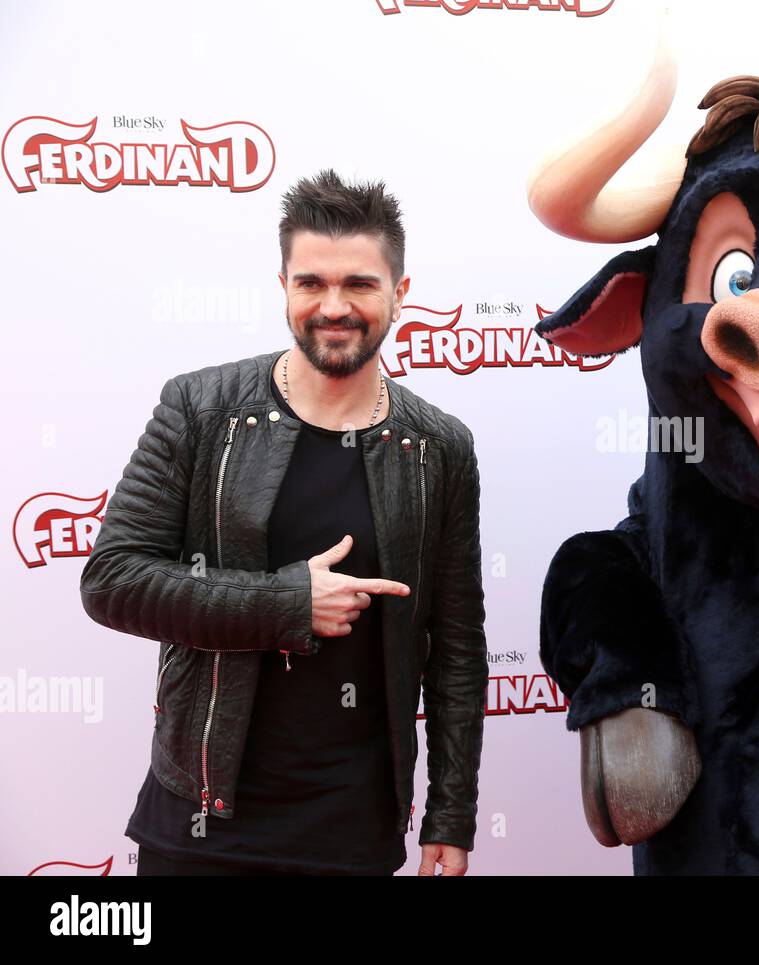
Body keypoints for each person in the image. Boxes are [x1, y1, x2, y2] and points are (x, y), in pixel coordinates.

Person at [79, 170, 488, 876]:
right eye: (311, 284)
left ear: (400, 292)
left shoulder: (439, 447)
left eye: (359, 283)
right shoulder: (202, 410)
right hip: (200, 823)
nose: (334, 306)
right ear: (284, 287)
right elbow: (112, 580)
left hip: (351, 833)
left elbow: (455, 648)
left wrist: (451, 814)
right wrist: (285, 602)